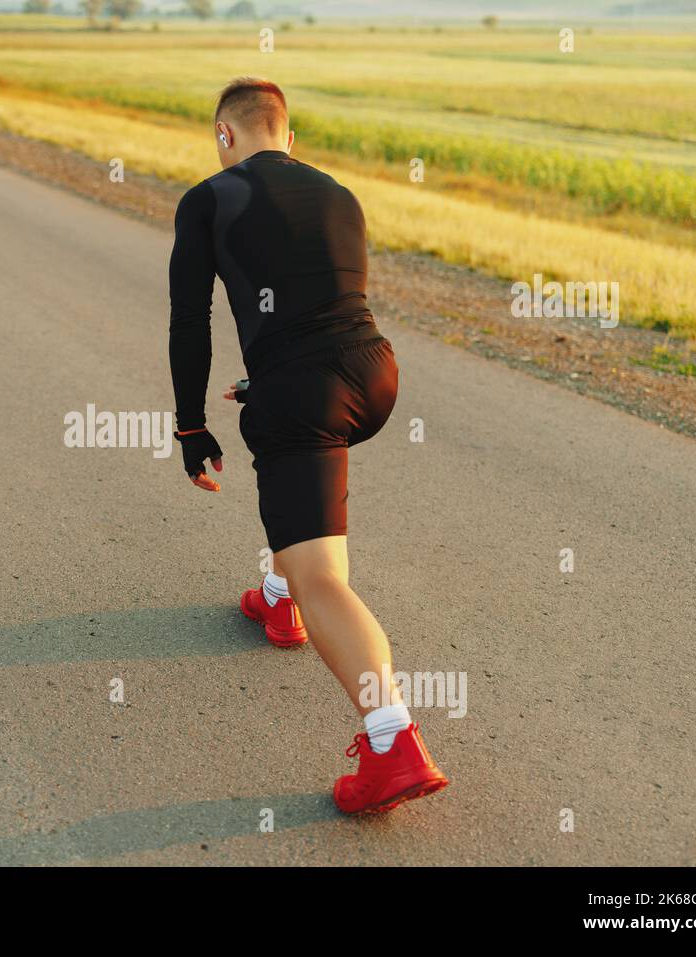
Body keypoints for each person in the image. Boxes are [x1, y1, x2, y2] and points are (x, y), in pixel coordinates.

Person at [167, 77, 448, 814]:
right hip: (374, 372)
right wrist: (269, 383)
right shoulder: (339, 193)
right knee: (300, 447)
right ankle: (278, 598)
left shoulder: (208, 198)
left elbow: (188, 322)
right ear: (289, 139)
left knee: (327, 570)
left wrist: (191, 426)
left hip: (308, 393)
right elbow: (315, 311)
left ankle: (392, 740)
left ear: (225, 136)